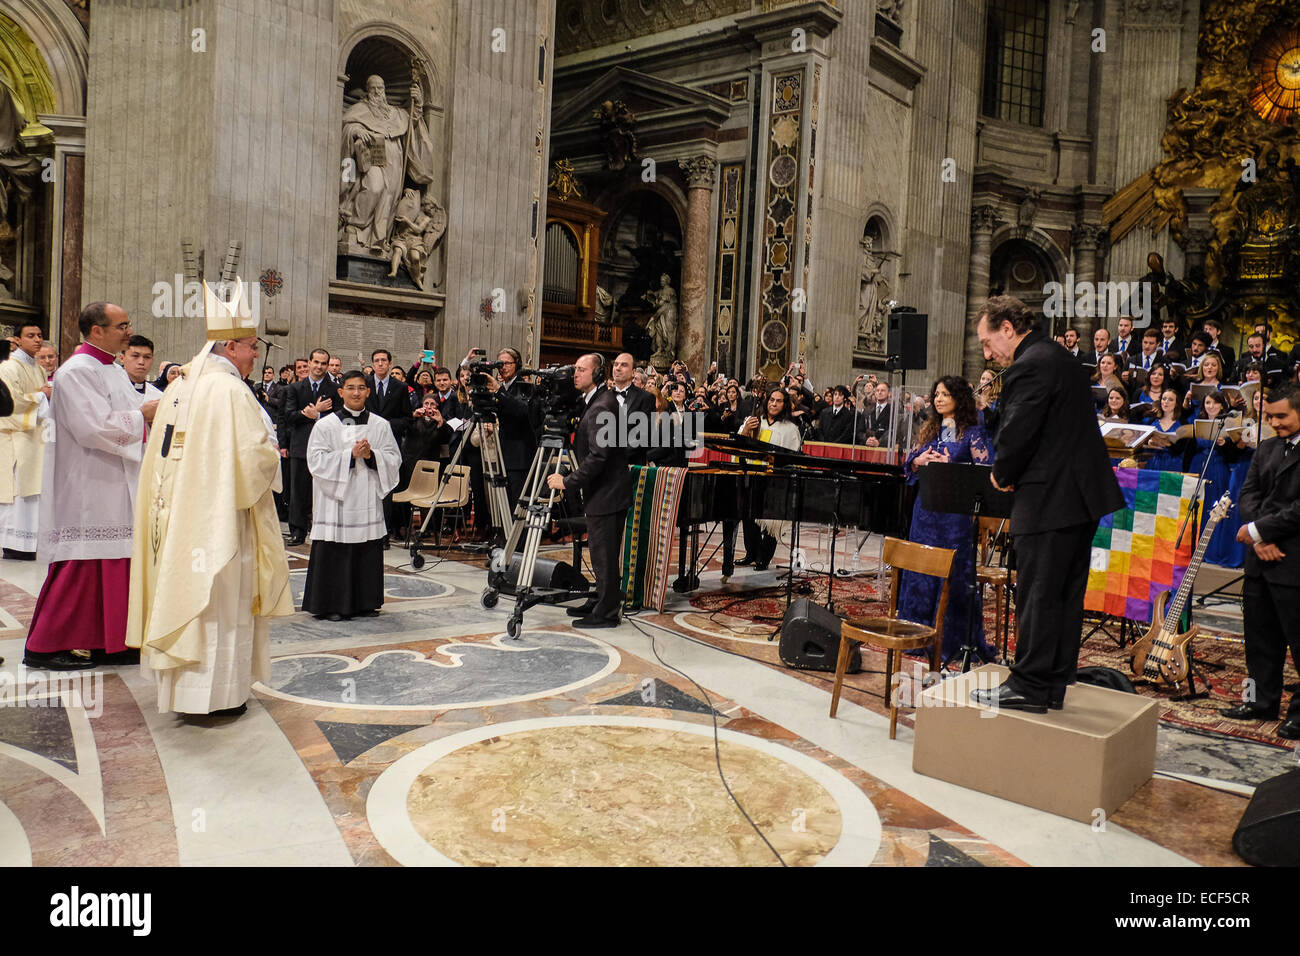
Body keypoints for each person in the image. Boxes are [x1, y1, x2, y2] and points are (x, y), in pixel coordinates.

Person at [127, 333, 293, 717]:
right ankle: (217, 697)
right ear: (230, 347)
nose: (256, 353)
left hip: (180, 514)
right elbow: (255, 457)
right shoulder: (230, 390)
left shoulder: (181, 385)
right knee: (221, 601)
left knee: (187, 590)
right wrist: (273, 454)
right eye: (252, 346)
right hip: (222, 517)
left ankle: (184, 693)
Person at [971, 295, 1124, 713]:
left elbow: (1019, 431)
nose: (988, 353)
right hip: (1078, 497)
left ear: (1007, 328)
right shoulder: (1057, 355)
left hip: (1051, 496)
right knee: (1063, 592)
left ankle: (1028, 684)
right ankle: (1054, 682)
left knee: (1038, 592)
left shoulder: (1031, 363)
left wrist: (1001, 473)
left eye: (988, 342)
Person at [24, 302, 158, 670]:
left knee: (116, 562)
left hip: (116, 478)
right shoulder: (77, 371)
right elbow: (92, 427)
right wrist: (141, 416)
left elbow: (141, 404)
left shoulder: (110, 368)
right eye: (122, 325)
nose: (128, 331)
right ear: (96, 331)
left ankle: (109, 642)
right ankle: (44, 646)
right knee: (81, 565)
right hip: (88, 482)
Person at [898, 376, 997, 661]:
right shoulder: (930, 428)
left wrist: (952, 465)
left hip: (954, 515)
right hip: (926, 511)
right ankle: (916, 632)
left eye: (945, 394)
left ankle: (951, 638)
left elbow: (985, 466)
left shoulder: (972, 430)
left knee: (953, 571)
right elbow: (911, 464)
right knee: (921, 567)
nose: (938, 399)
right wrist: (919, 461)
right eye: (936, 395)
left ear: (958, 398)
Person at [1222, 383, 1300, 739]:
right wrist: (1257, 535)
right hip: (1260, 561)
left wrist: (1259, 531)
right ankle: (1257, 700)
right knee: (1257, 641)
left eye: (1281, 416)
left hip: (1292, 560)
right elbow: (1248, 494)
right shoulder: (1267, 447)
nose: (1274, 422)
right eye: (1270, 416)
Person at [301, 370, 401, 621]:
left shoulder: (380, 425)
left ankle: (366, 602)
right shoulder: (326, 425)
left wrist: (371, 455)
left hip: (366, 496)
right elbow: (315, 461)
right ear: (341, 391)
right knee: (337, 550)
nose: (356, 392)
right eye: (350, 388)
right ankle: (331, 605)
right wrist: (349, 455)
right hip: (337, 500)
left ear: (368, 391)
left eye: (360, 388)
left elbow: (394, 458)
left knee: (366, 548)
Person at [546, 354, 630, 628]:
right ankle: (599, 600)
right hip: (604, 492)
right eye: (575, 369)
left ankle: (606, 614)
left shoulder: (602, 406)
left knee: (604, 555)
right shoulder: (595, 401)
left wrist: (567, 481)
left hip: (607, 493)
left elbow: (599, 456)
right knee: (600, 553)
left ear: (596, 374)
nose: (575, 374)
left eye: (581, 370)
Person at [0, 320, 50, 559]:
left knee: (31, 492)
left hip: (33, 438)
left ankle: (28, 545)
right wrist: (41, 396)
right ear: (18, 340)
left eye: (39, 335)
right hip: (15, 440)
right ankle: (13, 544)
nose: (38, 339)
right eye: (31, 335)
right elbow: (10, 403)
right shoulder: (9, 367)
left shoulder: (38, 367)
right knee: (18, 493)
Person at [738, 387, 803, 570]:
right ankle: (751, 553)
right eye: (771, 400)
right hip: (753, 475)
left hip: (775, 479)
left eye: (779, 401)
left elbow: (792, 458)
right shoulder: (754, 421)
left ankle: (763, 557)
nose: (773, 404)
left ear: (785, 405)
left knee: (770, 522)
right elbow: (738, 447)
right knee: (749, 516)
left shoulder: (790, 429)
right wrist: (745, 432)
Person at [283, 348, 340, 545]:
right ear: (309, 363)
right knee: (298, 491)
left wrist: (319, 416)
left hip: (326, 448)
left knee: (323, 490)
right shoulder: (295, 388)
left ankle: (319, 528)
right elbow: (289, 416)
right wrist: (313, 411)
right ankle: (297, 531)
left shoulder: (334, 389)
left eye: (324, 363)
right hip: (301, 445)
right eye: (316, 362)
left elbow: (341, 416)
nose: (319, 367)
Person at [366, 348, 413, 543]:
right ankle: (367, 530)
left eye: (383, 360)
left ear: (390, 363)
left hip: (389, 443)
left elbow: (407, 419)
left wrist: (386, 425)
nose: (380, 364)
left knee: (386, 489)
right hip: (366, 442)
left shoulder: (400, 387)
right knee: (367, 487)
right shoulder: (364, 384)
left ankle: (383, 534)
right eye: (376, 360)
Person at [120, 334, 162, 400]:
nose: (141, 362)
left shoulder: (158, 397)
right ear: (122, 358)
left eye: (147, 357)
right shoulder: (109, 390)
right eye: (135, 356)